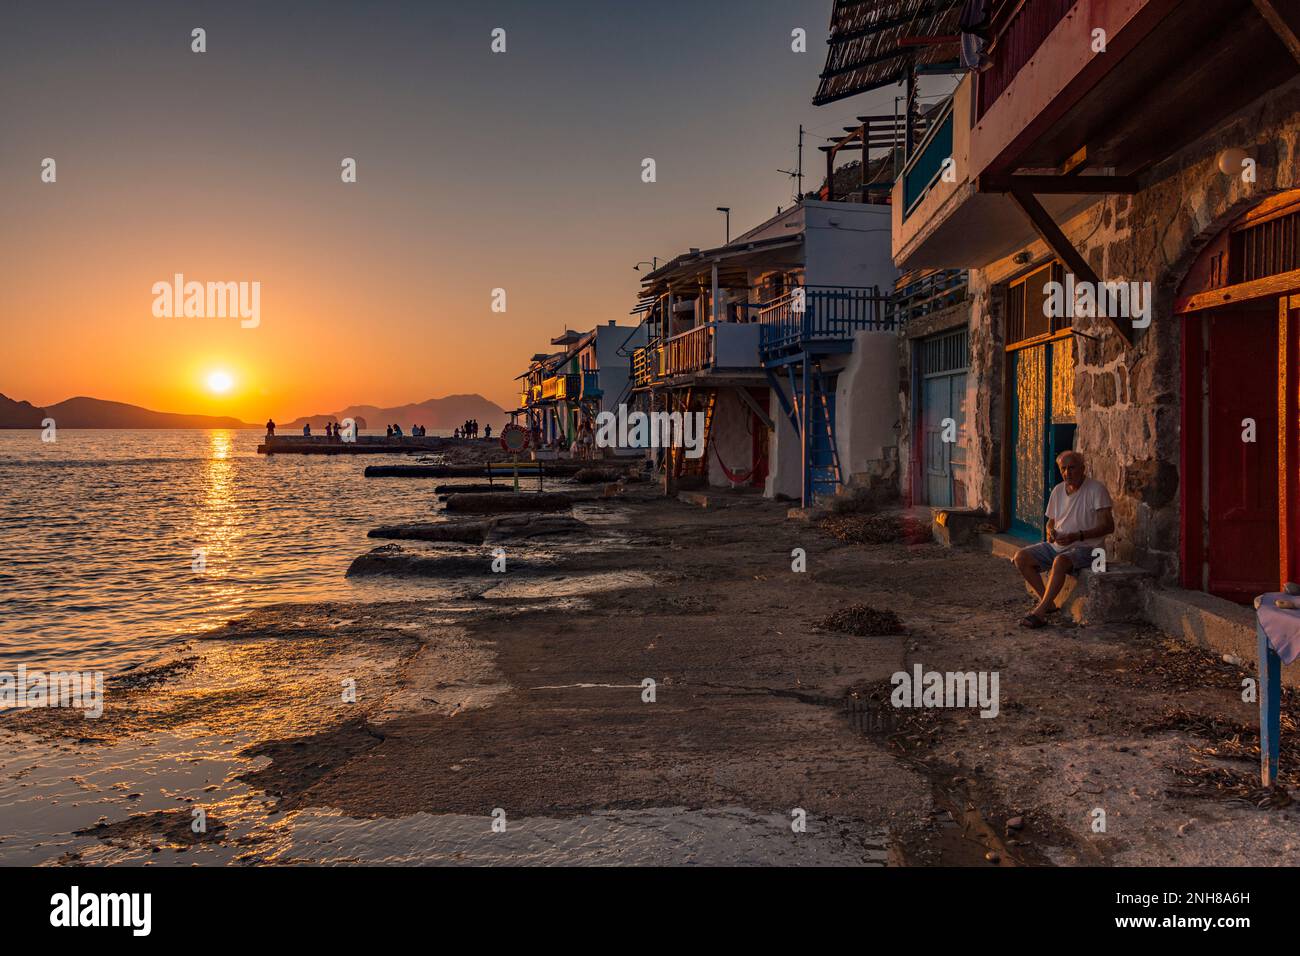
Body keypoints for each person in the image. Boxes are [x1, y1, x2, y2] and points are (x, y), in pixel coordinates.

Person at [1012, 450, 1115, 629]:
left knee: (1060, 561)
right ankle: (1049, 603)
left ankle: (1040, 612)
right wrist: (1051, 532)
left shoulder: (1096, 490)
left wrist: (1078, 536)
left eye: (1072, 468)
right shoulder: (1058, 490)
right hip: (1058, 546)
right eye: (1063, 468)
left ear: (1083, 468)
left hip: (1090, 549)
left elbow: (1108, 527)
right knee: (1021, 557)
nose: (1067, 473)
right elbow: (1050, 523)